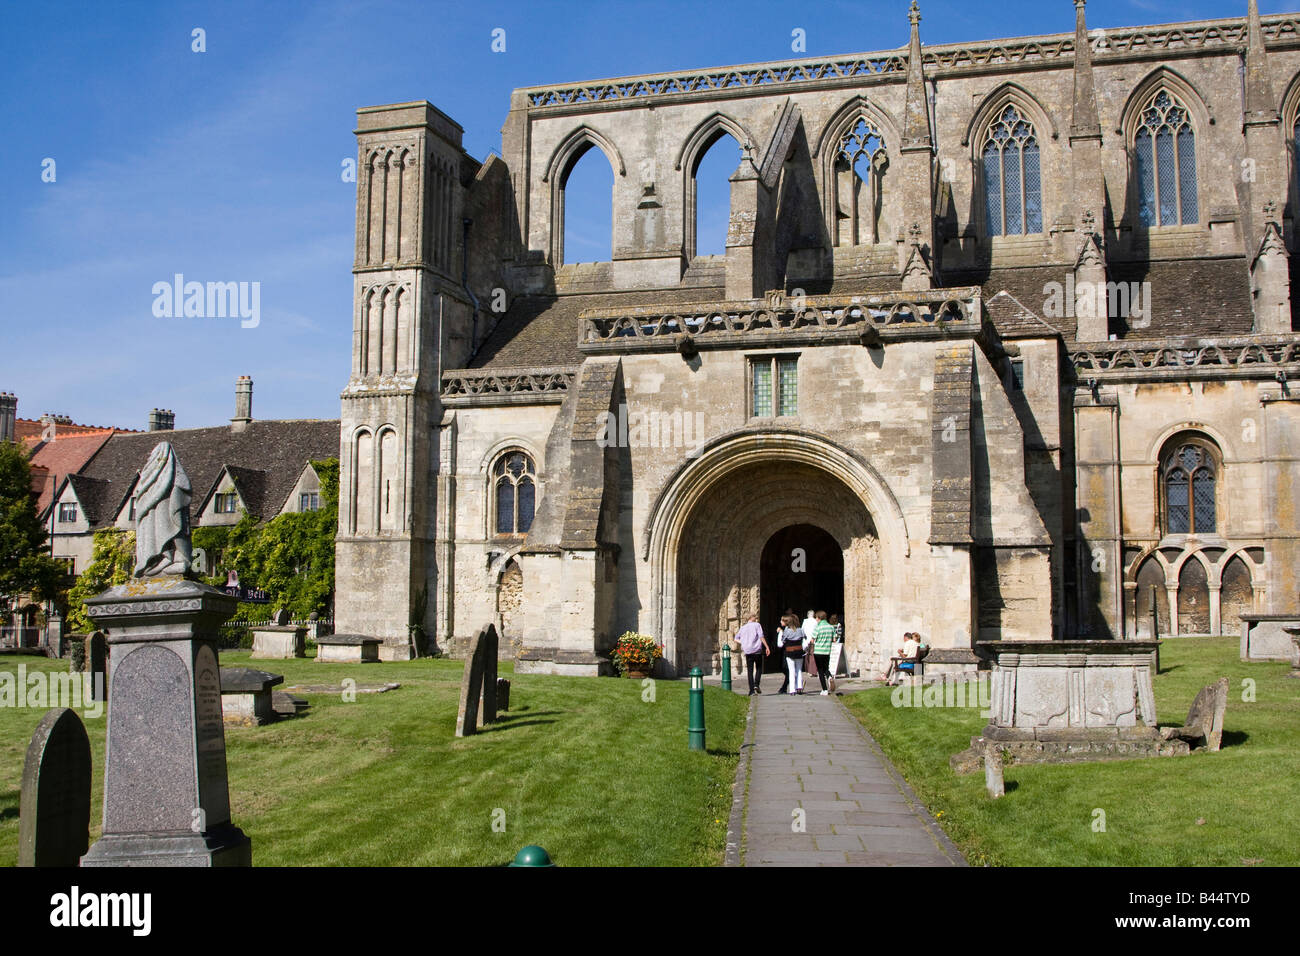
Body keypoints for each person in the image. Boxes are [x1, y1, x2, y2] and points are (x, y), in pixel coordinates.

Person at [734, 614, 770, 695]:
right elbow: (761, 636)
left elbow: (736, 639)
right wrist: (767, 647)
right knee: (759, 668)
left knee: (750, 671)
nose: (756, 618)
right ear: (751, 618)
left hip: (748, 651)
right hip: (757, 650)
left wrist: (743, 643)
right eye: (755, 617)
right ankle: (756, 684)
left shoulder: (743, 628)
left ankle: (751, 690)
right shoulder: (757, 625)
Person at [778, 615, 808, 695]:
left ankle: (792, 690)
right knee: (799, 670)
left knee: (791, 671)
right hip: (799, 652)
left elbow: (783, 640)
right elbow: (805, 637)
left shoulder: (787, 631)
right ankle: (799, 687)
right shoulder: (800, 630)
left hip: (790, 652)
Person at [812, 610, 837, 695]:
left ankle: (824, 689)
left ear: (819, 618)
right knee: (826, 668)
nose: (816, 619)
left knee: (820, 671)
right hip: (827, 651)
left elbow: (812, 639)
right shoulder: (831, 627)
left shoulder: (818, 627)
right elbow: (834, 639)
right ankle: (829, 677)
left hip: (818, 651)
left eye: (816, 617)